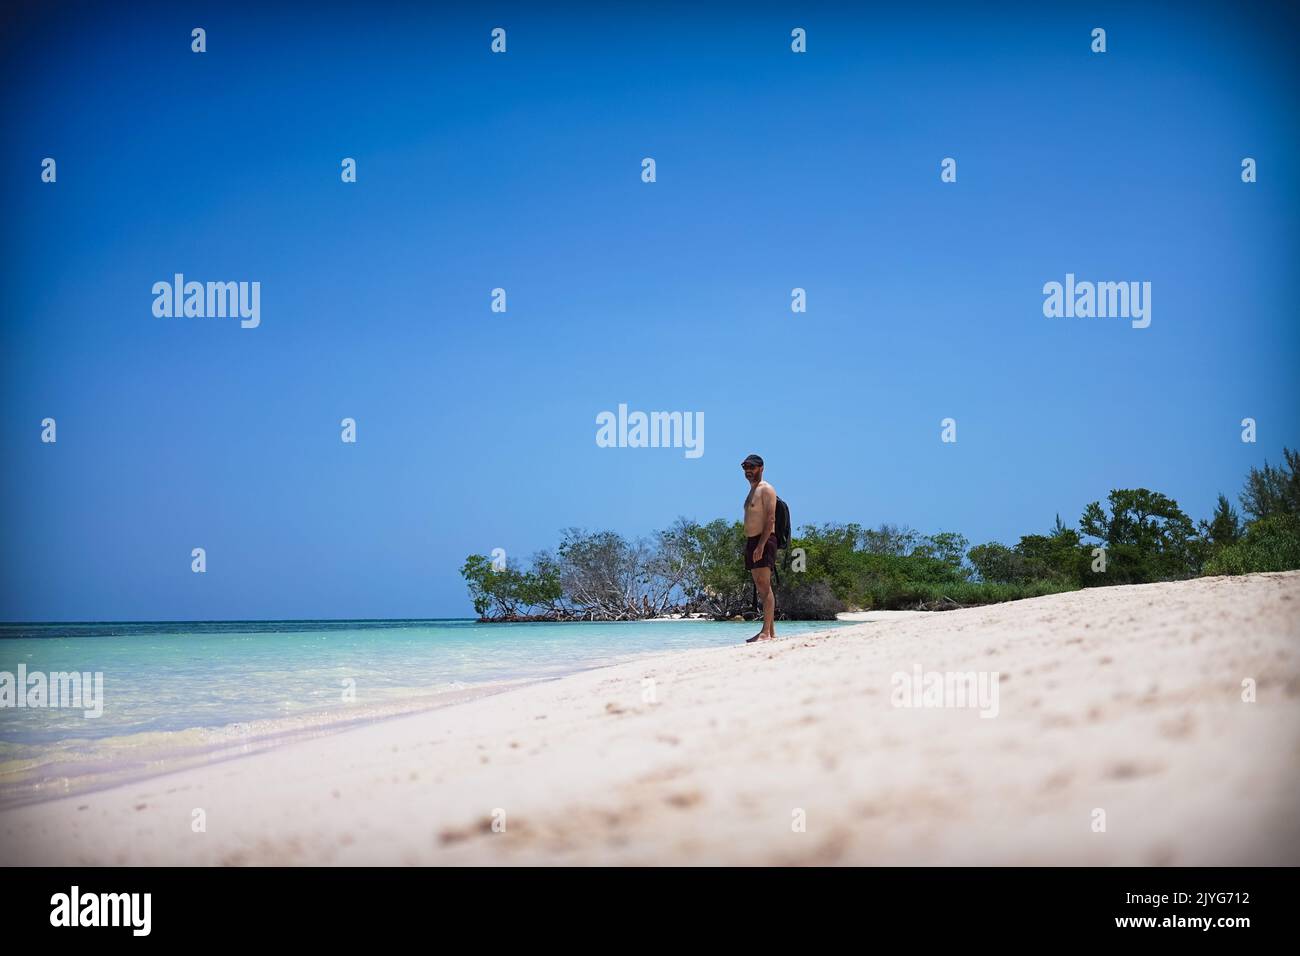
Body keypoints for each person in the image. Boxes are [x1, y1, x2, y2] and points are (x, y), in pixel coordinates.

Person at [741, 453, 777, 643]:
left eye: (752, 468)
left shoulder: (766, 489)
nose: (748, 471)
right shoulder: (752, 490)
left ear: (761, 468)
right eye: (746, 468)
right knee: (761, 586)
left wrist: (761, 545)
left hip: (764, 540)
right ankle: (771, 632)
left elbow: (771, 519)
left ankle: (765, 633)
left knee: (764, 586)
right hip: (752, 542)